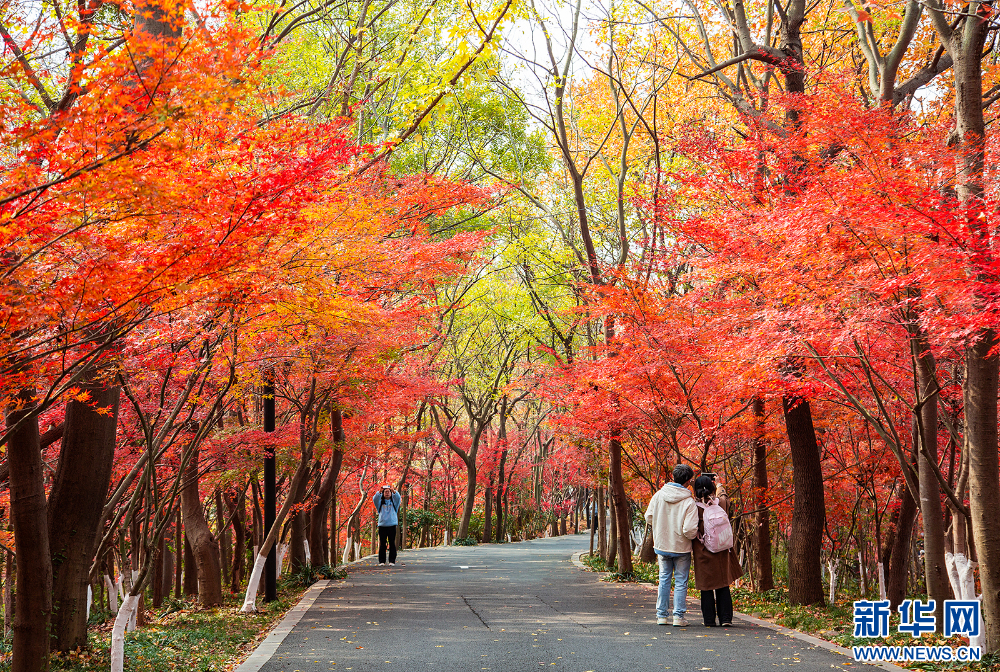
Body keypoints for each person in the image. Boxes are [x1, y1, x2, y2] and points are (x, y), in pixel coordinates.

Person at [644, 464, 699, 626]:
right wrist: (692, 536)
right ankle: (678, 617)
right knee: (681, 581)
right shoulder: (689, 502)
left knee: (664, 579)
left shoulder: (659, 495)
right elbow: (689, 530)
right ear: (688, 481)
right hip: (681, 547)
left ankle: (661, 615)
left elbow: (648, 517)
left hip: (662, 544)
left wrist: (660, 525)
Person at [691, 474, 744, 627]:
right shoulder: (720, 504)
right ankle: (726, 618)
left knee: (706, 588)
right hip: (721, 550)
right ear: (712, 488)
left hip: (702, 550)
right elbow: (724, 497)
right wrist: (720, 483)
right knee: (723, 585)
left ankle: (709, 620)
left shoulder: (693, 507)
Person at [373, 486, 401, 566]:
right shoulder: (380, 503)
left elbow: (398, 498)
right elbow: (375, 499)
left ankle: (392, 561)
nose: (387, 493)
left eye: (389, 491)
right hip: (382, 526)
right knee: (382, 544)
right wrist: (379, 492)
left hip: (392, 525)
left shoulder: (394, 503)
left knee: (392, 543)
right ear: (383, 493)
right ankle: (382, 561)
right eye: (385, 491)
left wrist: (394, 491)